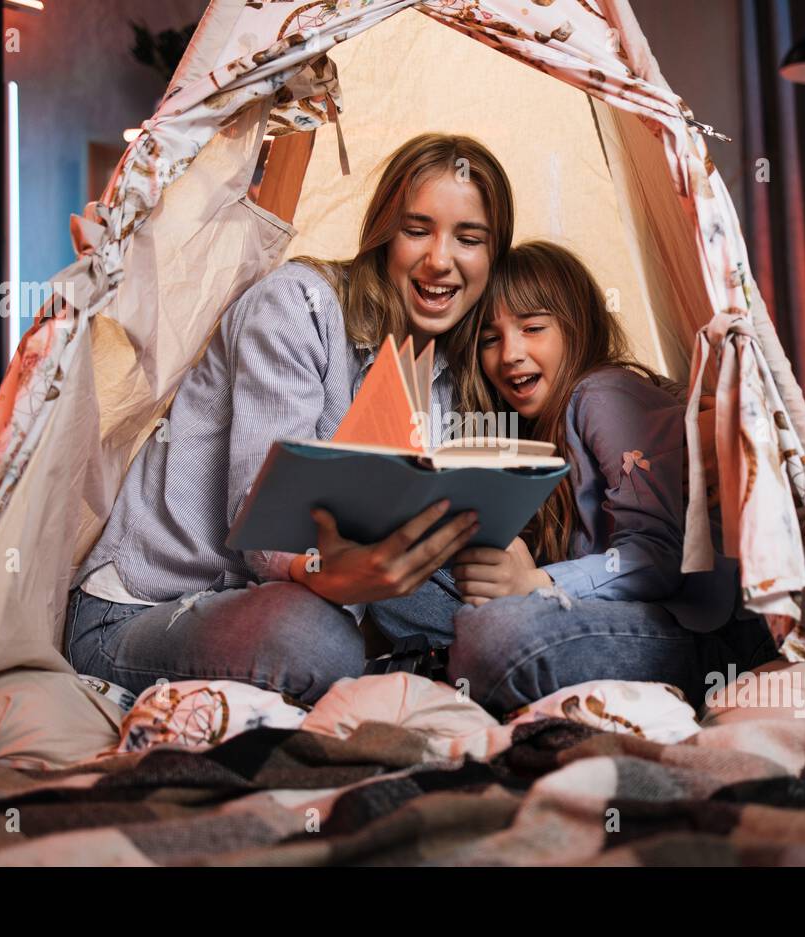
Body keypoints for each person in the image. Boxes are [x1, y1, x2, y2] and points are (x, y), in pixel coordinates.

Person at [64, 133, 515, 705]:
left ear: (492, 257)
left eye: (468, 238)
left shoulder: (451, 376)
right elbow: (269, 533)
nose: (440, 259)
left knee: (494, 630)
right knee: (315, 642)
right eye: (417, 229)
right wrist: (339, 572)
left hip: (301, 602)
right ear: (384, 232)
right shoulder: (298, 305)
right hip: (139, 610)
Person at [447, 240, 781, 718]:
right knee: (423, 591)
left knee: (494, 636)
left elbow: (659, 556)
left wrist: (535, 580)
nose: (510, 354)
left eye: (533, 328)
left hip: (704, 637)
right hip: (621, 618)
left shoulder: (599, 394)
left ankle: (466, 659)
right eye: (490, 340)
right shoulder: (534, 430)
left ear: (576, 328)